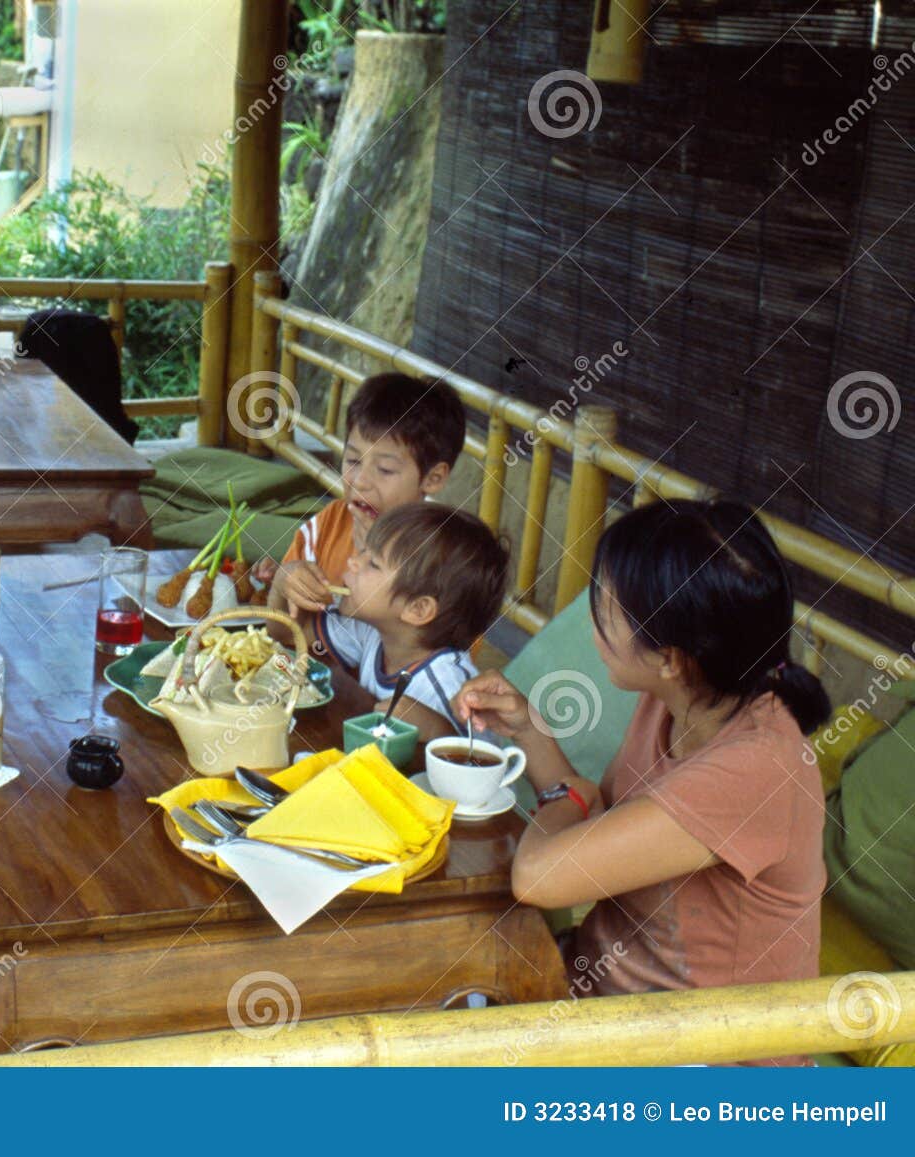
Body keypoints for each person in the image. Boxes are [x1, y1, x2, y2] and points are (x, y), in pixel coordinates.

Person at [453, 500, 830, 1065]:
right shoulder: (678, 699)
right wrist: (529, 730)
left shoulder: (755, 770)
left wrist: (567, 796)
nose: (590, 625)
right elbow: (599, 819)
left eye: (605, 612)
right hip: (602, 1004)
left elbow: (539, 877)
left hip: (708, 1061)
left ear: (672, 659)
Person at [271, 502, 508, 762]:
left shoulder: (450, 686)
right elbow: (288, 633)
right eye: (364, 551)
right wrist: (283, 581)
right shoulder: (373, 632)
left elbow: (486, 769)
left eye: (373, 563)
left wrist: (438, 730)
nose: (352, 561)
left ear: (417, 609)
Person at [253, 372, 466, 615]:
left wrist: (373, 559)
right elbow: (283, 627)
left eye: (385, 469)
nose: (361, 482)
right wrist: (282, 583)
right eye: (353, 460)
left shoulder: (444, 557)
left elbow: (424, 638)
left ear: (432, 478)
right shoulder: (327, 526)